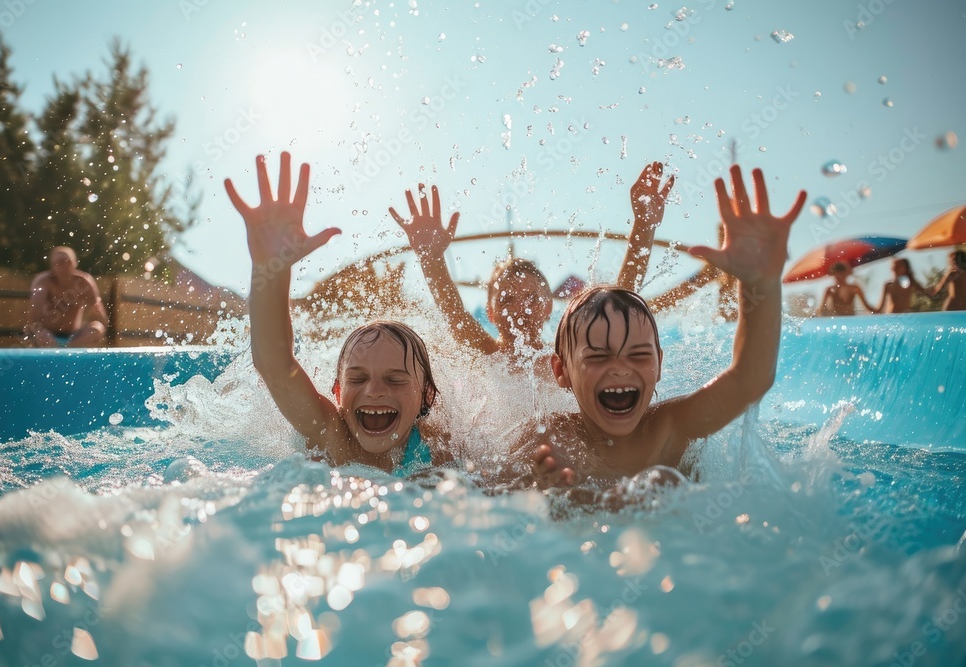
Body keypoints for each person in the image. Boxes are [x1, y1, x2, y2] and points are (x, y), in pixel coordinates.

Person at [494, 165, 806, 491]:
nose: (620, 370)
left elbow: (749, 381)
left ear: (659, 363)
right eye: (599, 358)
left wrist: (761, 285)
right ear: (562, 371)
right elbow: (488, 494)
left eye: (638, 355)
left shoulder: (672, 426)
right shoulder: (548, 439)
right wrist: (533, 486)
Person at [225, 152, 454, 473]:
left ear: (426, 395)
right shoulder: (332, 435)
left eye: (395, 379)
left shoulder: (438, 449)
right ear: (337, 392)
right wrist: (270, 269)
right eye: (357, 378)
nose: (374, 391)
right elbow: (275, 367)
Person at [386, 162, 674, 373]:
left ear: (549, 306)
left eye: (532, 298)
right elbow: (453, 312)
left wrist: (643, 226)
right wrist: (431, 257)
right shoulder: (487, 354)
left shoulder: (566, 357)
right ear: (491, 313)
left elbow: (618, 304)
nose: (520, 308)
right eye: (506, 299)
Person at [25, 246, 108, 347]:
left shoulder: (84, 282)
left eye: (67, 261)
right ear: (52, 266)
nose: (64, 265)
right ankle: (61, 351)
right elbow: (33, 322)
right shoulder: (43, 282)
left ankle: (66, 351)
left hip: (74, 337)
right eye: (59, 262)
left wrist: (96, 314)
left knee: (97, 329)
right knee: (40, 334)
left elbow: (101, 318)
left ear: (75, 263)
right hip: (49, 336)